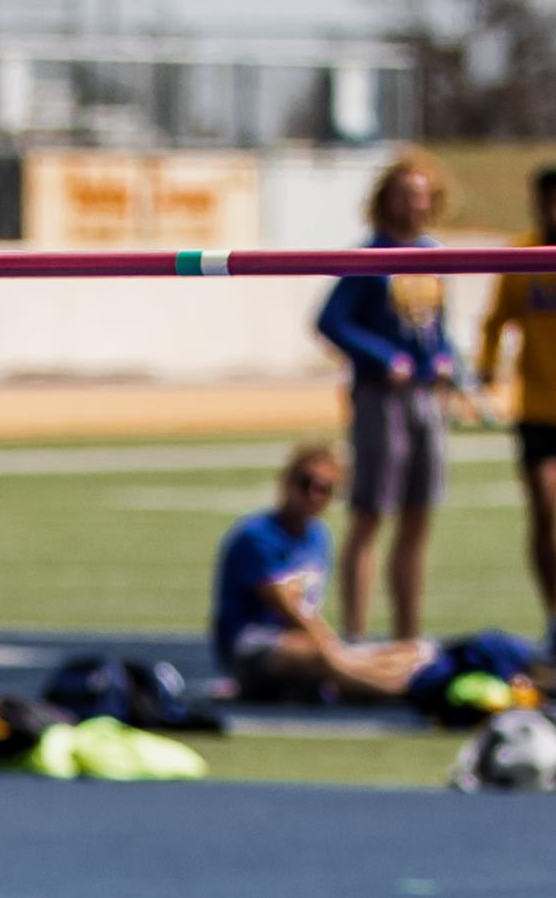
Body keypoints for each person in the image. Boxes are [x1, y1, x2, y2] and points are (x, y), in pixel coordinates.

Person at [315, 152, 457, 641]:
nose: (414, 204)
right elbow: (331, 321)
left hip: (426, 400)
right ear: (386, 199)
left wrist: (446, 359)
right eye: (404, 193)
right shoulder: (370, 256)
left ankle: (407, 636)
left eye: (421, 194)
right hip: (380, 399)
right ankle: (355, 635)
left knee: (419, 517)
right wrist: (381, 357)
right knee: (371, 514)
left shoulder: (433, 254)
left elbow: (438, 330)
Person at [211, 442, 433, 701]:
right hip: (254, 646)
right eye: (305, 484)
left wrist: (343, 653)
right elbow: (290, 607)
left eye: (325, 490)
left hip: (307, 640)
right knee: (318, 654)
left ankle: (378, 679)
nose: (313, 495)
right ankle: (401, 692)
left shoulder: (319, 537)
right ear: (287, 482)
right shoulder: (257, 536)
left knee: (413, 650)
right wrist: (335, 650)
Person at [476, 164, 556, 656]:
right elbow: (495, 322)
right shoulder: (522, 256)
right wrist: (486, 368)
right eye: (547, 199)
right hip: (539, 411)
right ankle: (553, 618)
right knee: (547, 512)